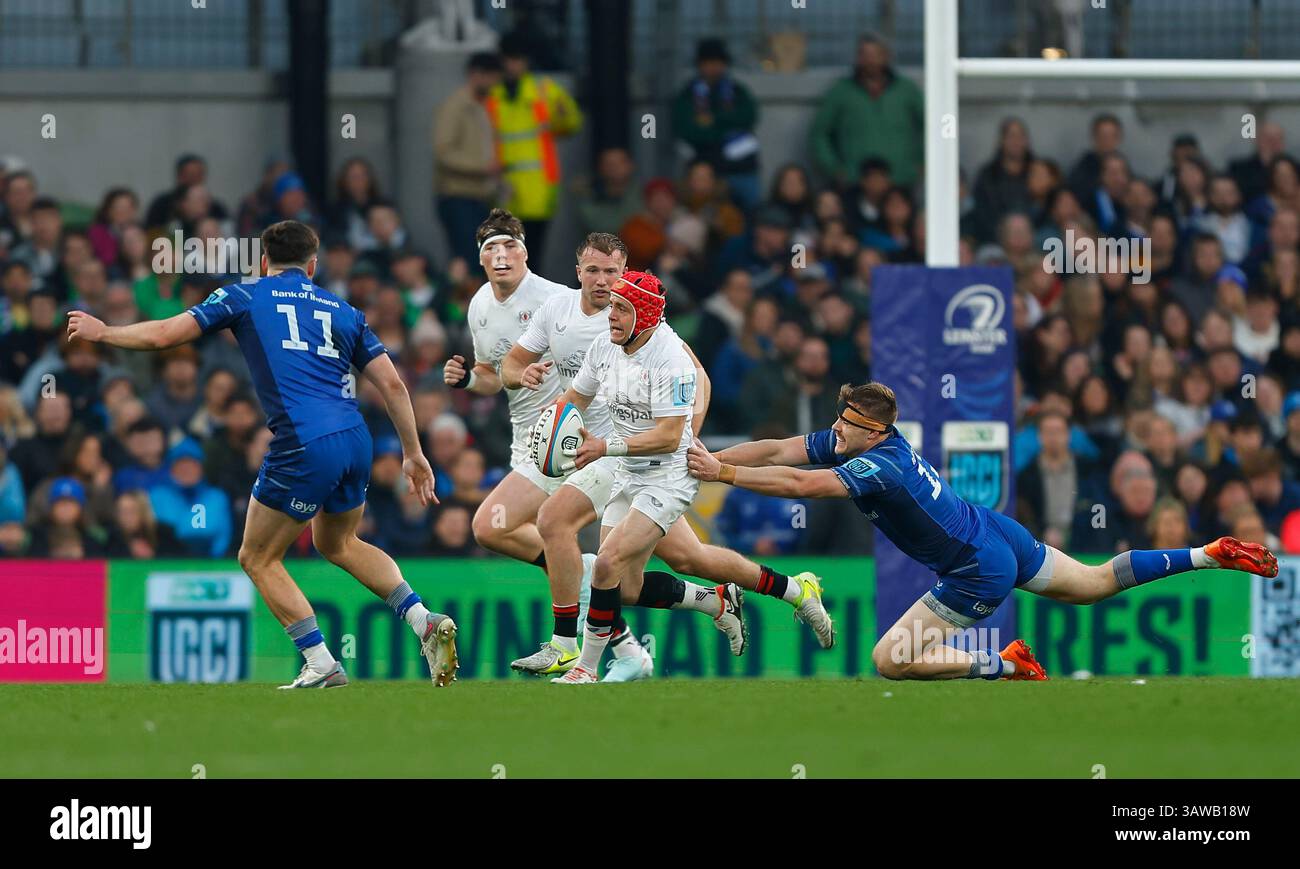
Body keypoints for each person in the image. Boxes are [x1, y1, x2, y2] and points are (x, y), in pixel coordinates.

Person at [66, 219, 458, 690]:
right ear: (313, 266)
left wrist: (104, 331)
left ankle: (320, 661)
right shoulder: (345, 310)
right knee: (338, 543)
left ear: (262, 262)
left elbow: (165, 335)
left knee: (256, 556)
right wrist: (414, 453)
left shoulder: (245, 295)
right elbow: (393, 384)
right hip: (355, 439)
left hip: (302, 442)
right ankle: (422, 621)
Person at [686, 381, 1280, 681]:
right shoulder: (866, 440)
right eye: (837, 423)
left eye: (846, 426)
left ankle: (1002, 665)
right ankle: (1208, 553)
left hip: (978, 567)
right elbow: (784, 448)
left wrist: (726, 475)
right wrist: (711, 457)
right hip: (998, 531)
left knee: (890, 660)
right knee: (1097, 583)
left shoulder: (878, 467)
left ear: (874, 431)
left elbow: (799, 484)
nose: (833, 433)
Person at [500, 238, 831, 680]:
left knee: (605, 560)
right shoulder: (605, 344)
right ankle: (768, 592)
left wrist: (615, 445)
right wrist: (556, 420)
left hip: (667, 475)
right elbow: (574, 397)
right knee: (650, 578)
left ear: (643, 314)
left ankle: (582, 664)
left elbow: (670, 435)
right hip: (623, 469)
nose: (610, 315)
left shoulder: (670, 357)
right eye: (610, 305)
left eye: (620, 307)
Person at [485, 31, 583, 257]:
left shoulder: (544, 90)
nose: (512, 65)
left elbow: (571, 123)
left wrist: (562, 113)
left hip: (538, 186)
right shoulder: (494, 95)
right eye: (508, 59)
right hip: (503, 187)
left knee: (532, 253)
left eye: (517, 59)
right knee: (504, 255)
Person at [809, 33, 923, 189]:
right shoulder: (841, 91)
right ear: (857, 57)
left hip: (900, 180)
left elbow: (932, 124)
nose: (870, 60)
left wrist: (922, 164)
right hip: (854, 181)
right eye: (864, 54)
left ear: (886, 56)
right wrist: (835, 169)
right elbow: (819, 133)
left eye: (876, 54)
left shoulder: (906, 90)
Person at [671, 38, 761, 211]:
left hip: (743, 168)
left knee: (752, 212)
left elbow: (749, 116)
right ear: (699, 65)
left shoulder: (737, 91)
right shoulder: (688, 95)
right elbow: (687, 130)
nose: (713, 67)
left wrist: (714, 121)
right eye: (708, 63)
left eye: (718, 62)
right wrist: (728, 126)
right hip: (706, 171)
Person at [434, 51, 503, 268]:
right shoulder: (456, 106)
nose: (495, 83)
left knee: (479, 261)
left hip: (480, 197)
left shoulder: (486, 106)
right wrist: (483, 168)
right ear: (476, 75)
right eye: (491, 77)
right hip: (458, 196)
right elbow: (444, 152)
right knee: (467, 261)